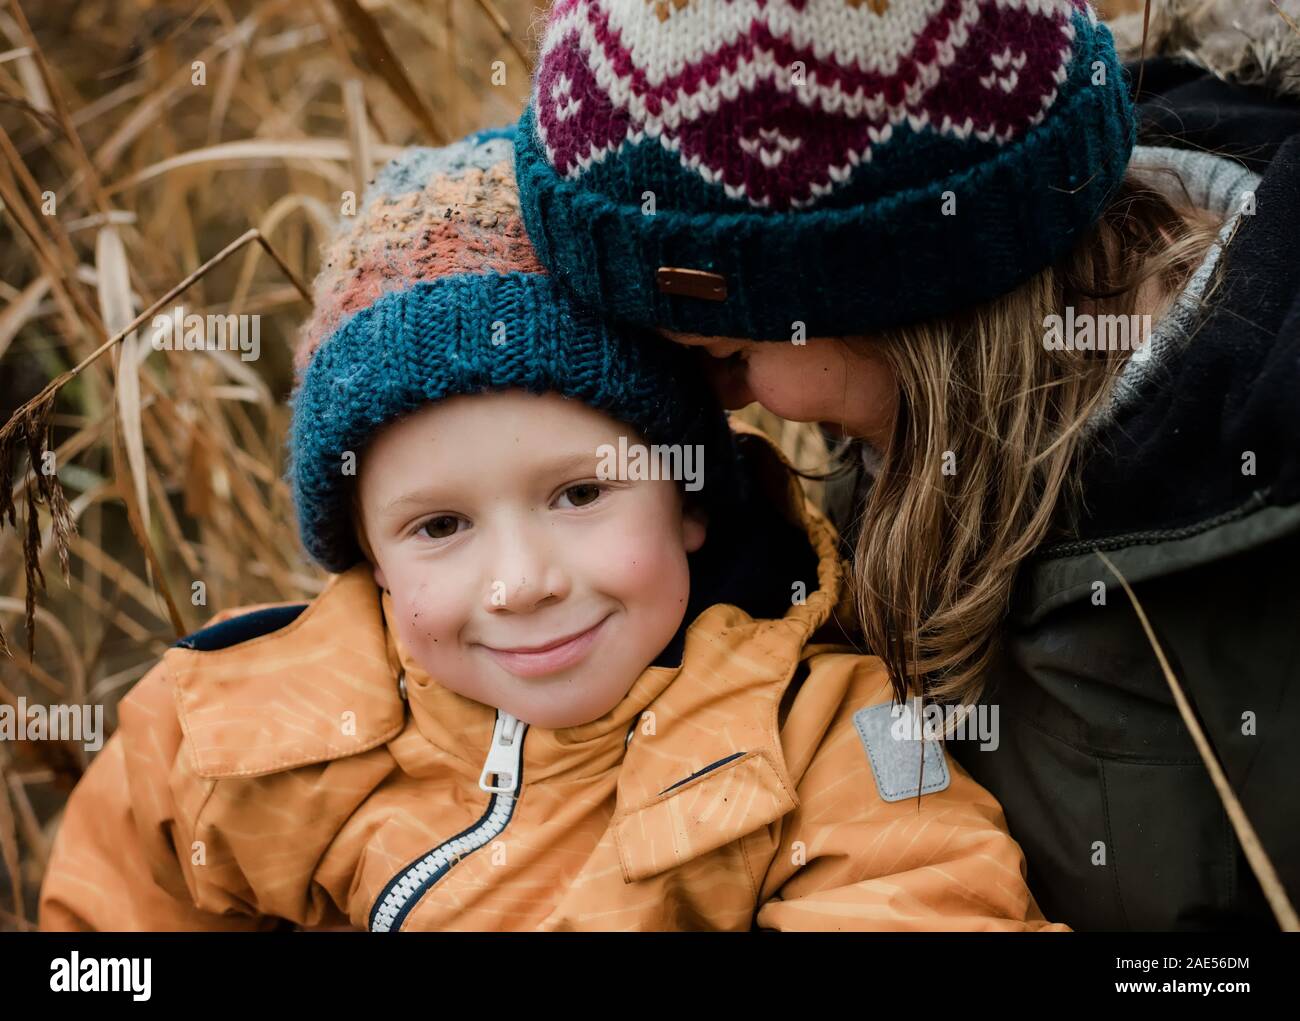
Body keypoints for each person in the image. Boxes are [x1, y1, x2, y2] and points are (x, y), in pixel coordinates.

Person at [37, 131, 1066, 932]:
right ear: (372, 558)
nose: (521, 582)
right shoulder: (225, 722)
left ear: (689, 499)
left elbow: (920, 895)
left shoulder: (829, 728)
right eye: (439, 525)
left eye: (579, 496)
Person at [512, 0, 1300, 929]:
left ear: (918, 300)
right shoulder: (909, 436)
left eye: (728, 355)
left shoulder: (1264, 529)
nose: (718, 403)